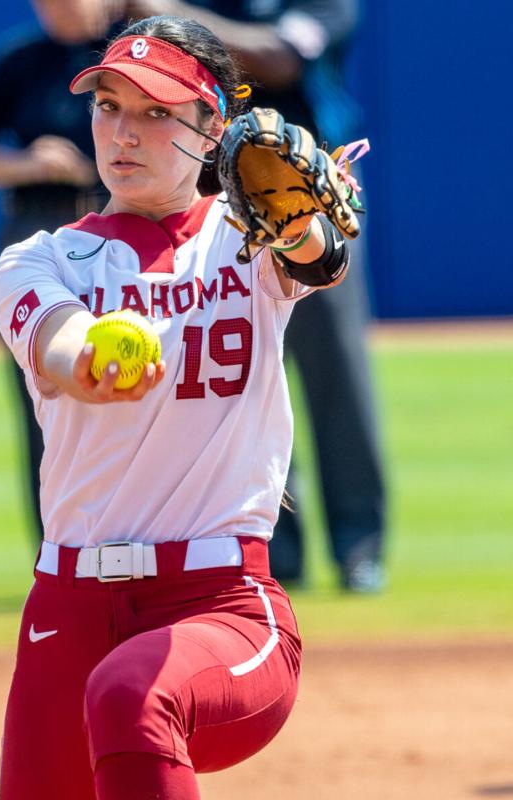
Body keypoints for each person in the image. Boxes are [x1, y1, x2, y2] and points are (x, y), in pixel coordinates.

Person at [0, 14, 358, 799]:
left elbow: (317, 256)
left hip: (221, 605)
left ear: (210, 128)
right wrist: (89, 359)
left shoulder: (247, 240)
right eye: (109, 105)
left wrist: (301, 225)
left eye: (157, 111)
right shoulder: (39, 260)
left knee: (133, 694)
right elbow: (62, 347)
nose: (125, 131)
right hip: (68, 610)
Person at [123, 0, 388, 592]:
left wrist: (170, 14)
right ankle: (271, 551)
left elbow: (281, 58)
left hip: (310, 191)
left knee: (334, 367)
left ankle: (360, 548)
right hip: (211, 192)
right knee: (232, 370)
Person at [0, 0, 121, 539]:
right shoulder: (17, 58)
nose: (57, 7)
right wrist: (27, 163)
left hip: (119, 222)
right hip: (36, 227)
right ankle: (56, 547)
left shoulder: (134, 50)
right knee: (42, 396)